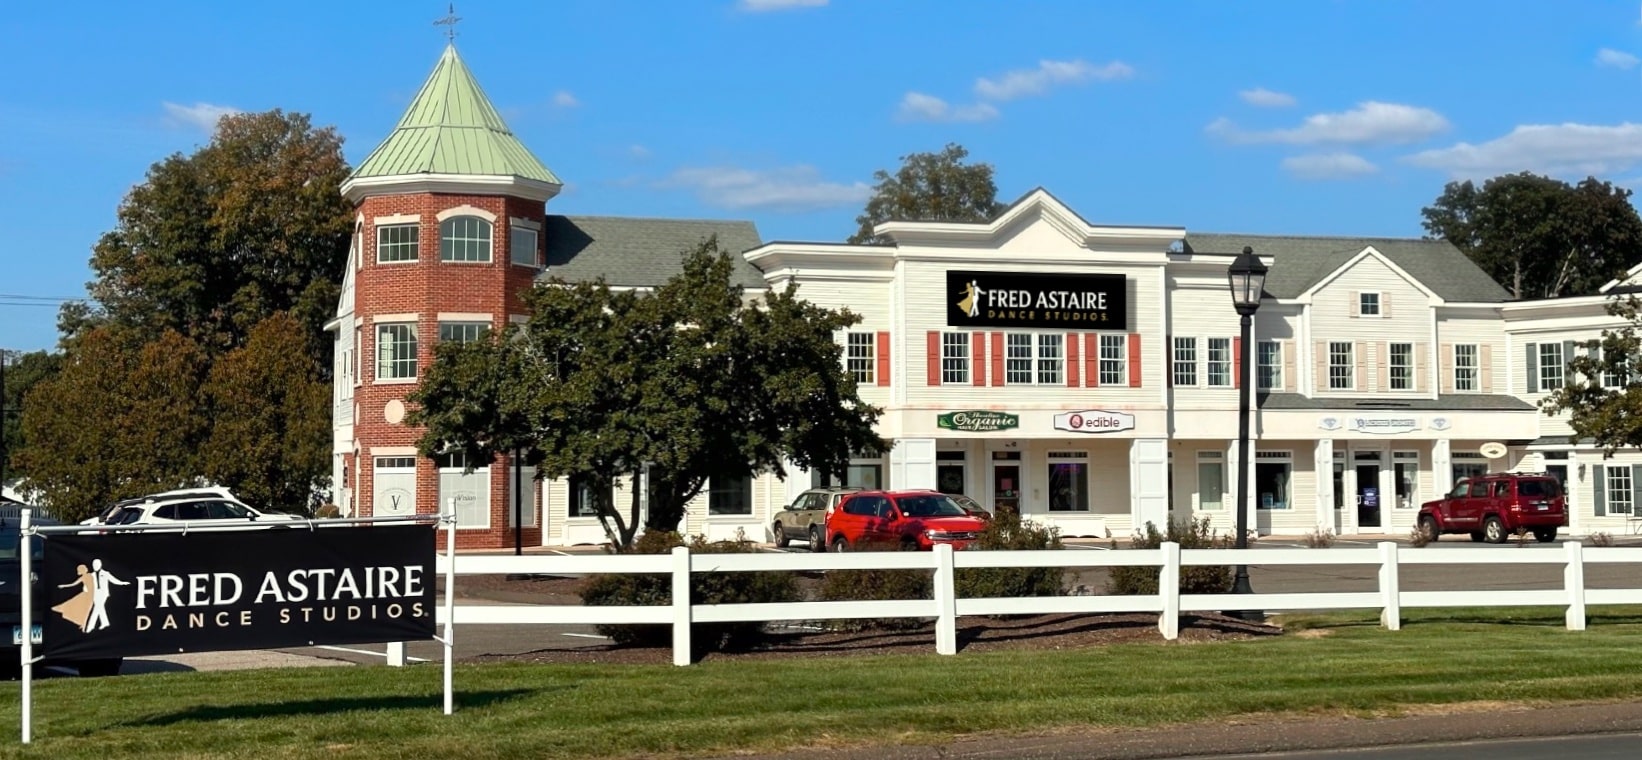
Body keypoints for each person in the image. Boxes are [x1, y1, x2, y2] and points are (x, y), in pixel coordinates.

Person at [86, 558, 129, 633]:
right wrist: (85, 589)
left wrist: (122, 583)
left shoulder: (105, 573)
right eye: (94, 565)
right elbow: (88, 584)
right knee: (100, 608)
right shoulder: (91, 575)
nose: (95, 566)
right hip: (95, 594)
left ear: (100, 565)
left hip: (103, 593)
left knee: (96, 609)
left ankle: (90, 626)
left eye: (97, 564)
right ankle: (105, 623)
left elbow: (113, 580)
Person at [53, 563, 95, 632]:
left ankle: (83, 625)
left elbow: (74, 584)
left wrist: (64, 586)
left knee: (84, 609)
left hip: (89, 595)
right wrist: (64, 586)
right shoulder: (85, 577)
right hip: (87, 595)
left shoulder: (89, 576)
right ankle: (83, 625)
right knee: (82, 609)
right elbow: (73, 584)